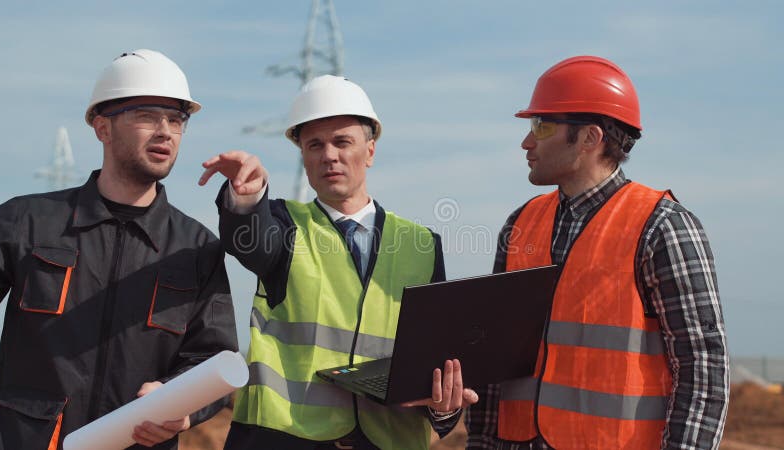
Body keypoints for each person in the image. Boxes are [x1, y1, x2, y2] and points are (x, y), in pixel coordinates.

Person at [199, 74, 478, 450]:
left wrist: (444, 411)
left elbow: (433, 357)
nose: (329, 154)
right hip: (286, 439)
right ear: (303, 156)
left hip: (387, 440)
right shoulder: (282, 224)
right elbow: (248, 240)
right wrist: (247, 199)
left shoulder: (423, 245)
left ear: (371, 151)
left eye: (342, 141)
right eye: (315, 144)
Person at [465, 56, 729, 449]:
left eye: (542, 125)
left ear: (590, 138)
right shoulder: (521, 224)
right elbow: (495, 357)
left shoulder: (663, 227)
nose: (527, 141)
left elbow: (702, 369)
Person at [0, 49, 239, 450]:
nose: (165, 132)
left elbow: (211, 361)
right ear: (102, 128)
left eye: (176, 120)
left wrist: (179, 404)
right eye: (146, 116)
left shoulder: (196, 249)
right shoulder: (27, 222)